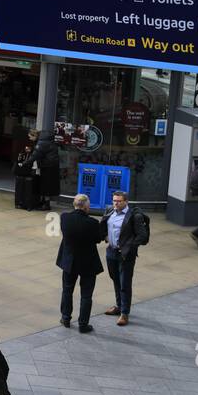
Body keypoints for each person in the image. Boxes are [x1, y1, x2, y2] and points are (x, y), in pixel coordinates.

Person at [56, 192, 104, 332]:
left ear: (74, 205)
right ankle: (83, 324)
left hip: (69, 262)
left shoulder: (64, 218)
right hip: (88, 263)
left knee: (67, 290)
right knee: (86, 295)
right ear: (86, 207)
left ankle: (65, 318)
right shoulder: (93, 223)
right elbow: (98, 239)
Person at [101, 190, 148, 326]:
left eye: (119, 201)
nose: (115, 203)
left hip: (125, 255)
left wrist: (128, 247)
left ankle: (124, 313)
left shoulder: (134, 216)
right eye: (114, 200)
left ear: (126, 201)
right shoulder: (110, 210)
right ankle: (118, 306)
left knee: (125, 283)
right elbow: (104, 224)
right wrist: (105, 237)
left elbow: (142, 236)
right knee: (115, 279)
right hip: (111, 251)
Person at [33, 128, 61, 210]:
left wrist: (27, 162)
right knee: (46, 186)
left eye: (30, 137)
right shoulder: (50, 142)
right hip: (51, 166)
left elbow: (35, 155)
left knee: (45, 186)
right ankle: (44, 202)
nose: (30, 139)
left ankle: (46, 204)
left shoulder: (42, 143)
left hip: (46, 166)